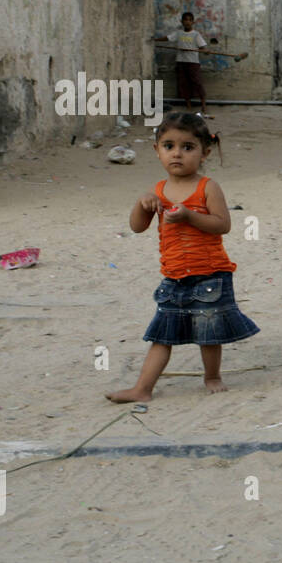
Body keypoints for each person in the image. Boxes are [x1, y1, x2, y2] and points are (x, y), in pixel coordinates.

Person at [106, 113, 258, 403]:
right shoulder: (158, 191)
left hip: (210, 274)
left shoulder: (207, 187)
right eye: (169, 146)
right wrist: (142, 204)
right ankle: (143, 389)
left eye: (188, 147)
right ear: (157, 150)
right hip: (174, 276)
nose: (177, 153)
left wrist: (189, 215)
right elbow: (137, 227)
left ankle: (212, 376)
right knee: (162, 334)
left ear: (204, 153)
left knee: (208, 332)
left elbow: (222, 224)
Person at [155, 12, 209, 113]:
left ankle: (203, 104)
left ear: (193, 22)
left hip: (193, 63)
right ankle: (188, 105)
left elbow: (203, 48)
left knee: (197, 83)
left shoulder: (196, 34)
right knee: (183, 84)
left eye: (189, 20)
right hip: (181, 62)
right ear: (182, 21)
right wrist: (155, 40)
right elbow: (167, 38)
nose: (187, 22)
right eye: (185, 20)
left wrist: (205, 51)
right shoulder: (178, 33)